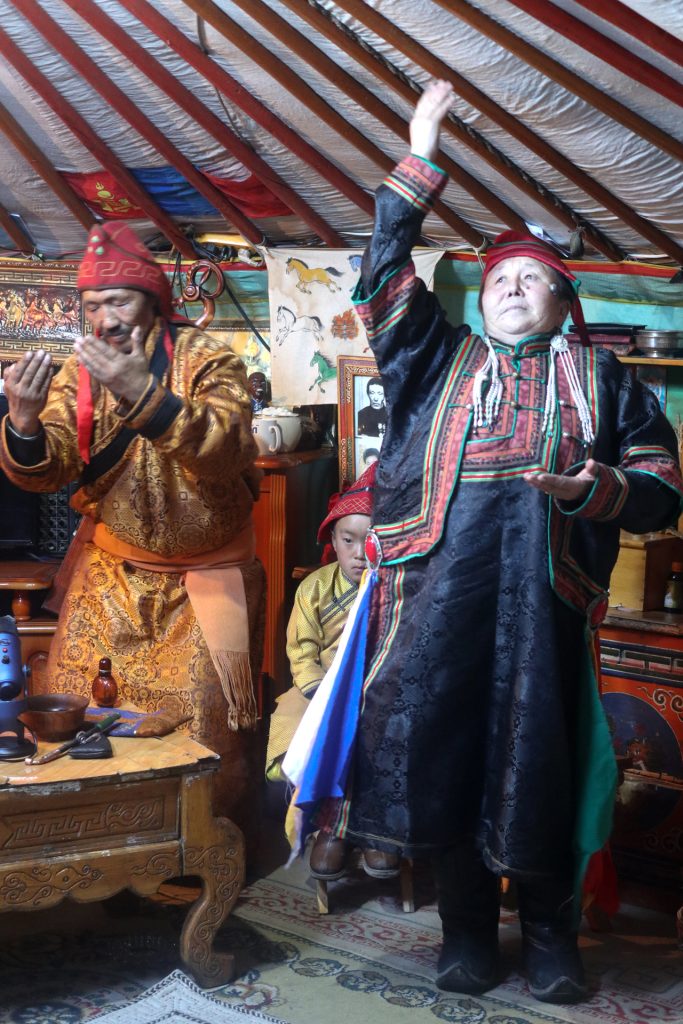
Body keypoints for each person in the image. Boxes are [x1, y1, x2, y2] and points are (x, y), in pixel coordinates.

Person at [316, 81, 683, 1003]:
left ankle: (553, 940)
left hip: (544, 607)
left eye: (532, 281)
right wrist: (421, 149)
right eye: (498, 282)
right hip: (435, 605)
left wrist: (595, 489)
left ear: (564, 303)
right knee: (444, 759)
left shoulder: (605, 383)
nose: (512, 288)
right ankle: (467, 932)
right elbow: (383, 273)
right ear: (481, 303)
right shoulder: (433, 360)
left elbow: (662, 488)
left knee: (541, 763)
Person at [0, 221, 266, 853]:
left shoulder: (211, 361)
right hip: (109, 581)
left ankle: (199, 858)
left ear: (154, 303)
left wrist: (142, 395)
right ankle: (87, 847)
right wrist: (24, 421)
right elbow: (50, 469)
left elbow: (225, 450)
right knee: (75, 715)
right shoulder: (77, 373)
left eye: (119, 301)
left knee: (208, 728)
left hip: (204, 585)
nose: (106, 318)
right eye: (93, 305)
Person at [267, 463, 399, 880]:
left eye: (369, 541)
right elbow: (301, 649)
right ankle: (327, 829)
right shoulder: (315, 588)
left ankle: (380, 833)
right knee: (302, 735)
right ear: (333, 540)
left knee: (383, 740)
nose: (359, 553)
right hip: (320, 690)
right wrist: (318, 689)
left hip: (376, 690)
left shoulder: (393, 590)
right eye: (348, 540)